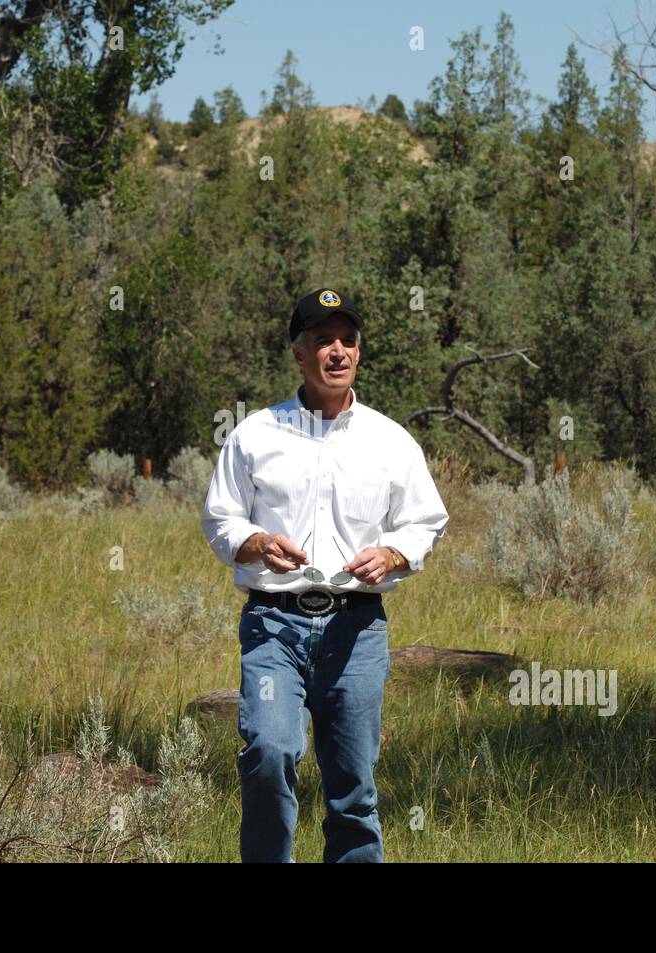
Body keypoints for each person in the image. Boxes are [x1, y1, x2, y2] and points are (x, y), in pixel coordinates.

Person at [201, 287, 449, 862]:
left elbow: (425, 522)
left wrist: (392, 555)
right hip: (273, 626)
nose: (336, 352)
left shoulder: (390, 441)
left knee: (353, 789)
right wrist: (255, 542)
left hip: (357, 630)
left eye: (347, 340)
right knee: (268, 752)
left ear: (358, 353)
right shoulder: (255, 435)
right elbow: (219, 519)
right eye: (321, 341)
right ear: (298, 352)